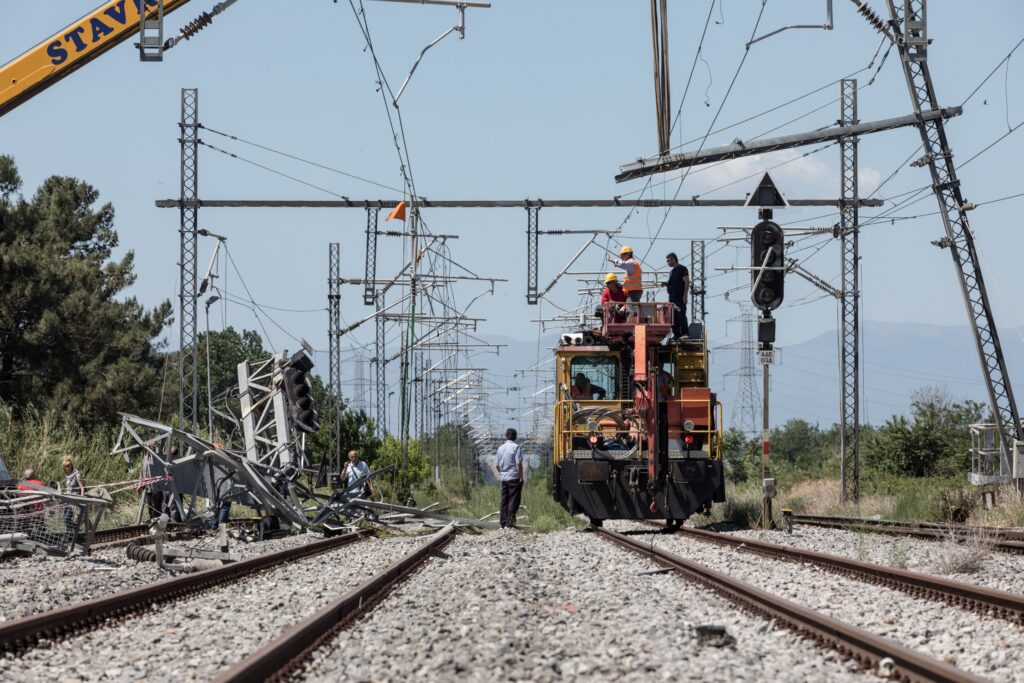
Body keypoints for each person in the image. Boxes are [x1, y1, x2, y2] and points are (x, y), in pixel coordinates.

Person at [494, 428, 523, 529]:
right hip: (514, 477)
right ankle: (510, 523)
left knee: (504, 500)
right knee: (513, 500)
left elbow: (497, 465)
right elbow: (518, 463)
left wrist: (502, 473)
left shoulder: (500, 448)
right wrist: (521, 477)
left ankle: (502, 522)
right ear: (515, 437)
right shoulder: (516, 447)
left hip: (504, 478)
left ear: (506, 436)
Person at [662, 252, 690, 340]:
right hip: (672, 297)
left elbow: (687, 282)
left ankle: (685, 333)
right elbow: (673, 281)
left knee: (681, 315)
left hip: (679, 297)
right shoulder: (671, 272)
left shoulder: (682, 269)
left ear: (674, 259)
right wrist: (666, 283)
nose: (668, 262)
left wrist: (685, 296)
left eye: (669, 260)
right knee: (673, 317)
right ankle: (677, 334)